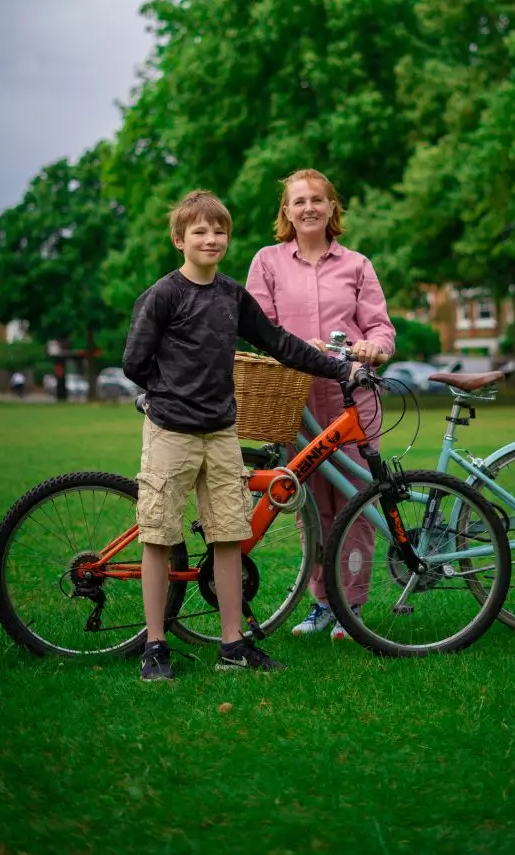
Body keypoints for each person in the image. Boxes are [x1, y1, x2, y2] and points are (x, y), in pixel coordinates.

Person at [122, 188, 360, 682]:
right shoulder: (164, 294)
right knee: (159, 537)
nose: (212, 239)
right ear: (178, 239)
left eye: (219, 231)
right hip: (171, 432)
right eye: (200, 232)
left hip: (222, 432)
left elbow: (278, 343)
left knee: (229, 536)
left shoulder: (231, 294)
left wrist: (338, 368)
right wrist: (161, 396)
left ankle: (232, 644)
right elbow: (134, 361)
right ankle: (155, 646)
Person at [246, 168, 395, 641]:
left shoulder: (357, 264)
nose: (308, 207)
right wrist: (294, 346)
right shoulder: (268, 262)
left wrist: (375, 347)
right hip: (295, 397)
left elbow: (380, 327)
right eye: (299, 201)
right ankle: (321, 605)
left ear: (332, 208)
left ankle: (351, 608)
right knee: (309, 504)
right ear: (286, 212)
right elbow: (258, 327)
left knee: (356, 500)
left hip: (353, 393)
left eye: (318, 199)